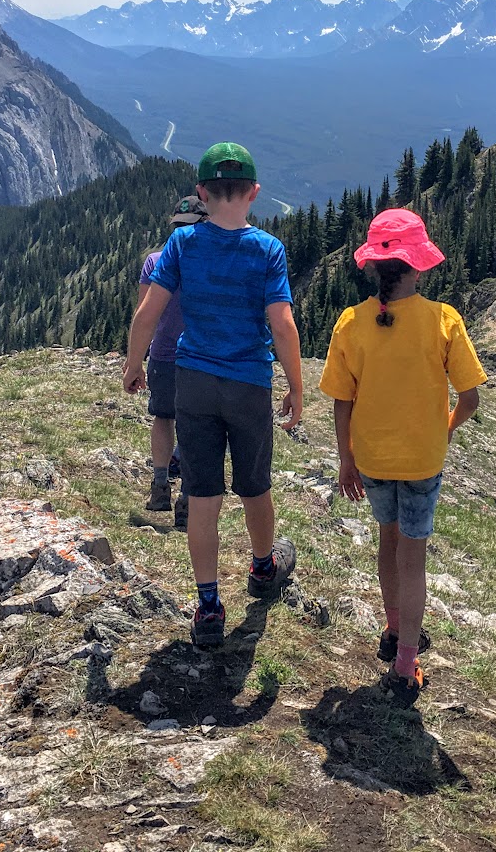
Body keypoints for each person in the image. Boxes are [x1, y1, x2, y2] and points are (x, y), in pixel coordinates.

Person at [123, 142, 303, 648]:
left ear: (202, 193)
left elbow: (149, 312)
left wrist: (135, 364)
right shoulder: (268, 250)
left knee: (202, 498)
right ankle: (264, 569)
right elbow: (282, 324)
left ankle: (207, 607)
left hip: (193, 382)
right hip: (248, 383)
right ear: (254, 194)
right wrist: (296, 385)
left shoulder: (181, 246)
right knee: (254, 486)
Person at [321, 208, 486, 705]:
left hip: (370, 458)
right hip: (422, 459)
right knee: (414, 558)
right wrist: (444, 431)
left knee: (387, 542)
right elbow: (471, 398)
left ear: (374, 266)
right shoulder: (444, 320)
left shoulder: (351, 323)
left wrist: (346, 459)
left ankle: (393, 628)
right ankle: (406, 661)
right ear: (418, 265)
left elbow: (341, 399)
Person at [139, 194, 208, 528]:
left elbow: (143, 315)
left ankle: (160, 486)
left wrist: (134, 360)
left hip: (163, 354)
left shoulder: (154, 261)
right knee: (194, 428)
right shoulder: (208, 261)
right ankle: (186, 502)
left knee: (162, 418)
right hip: (198, 356)